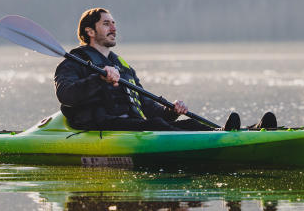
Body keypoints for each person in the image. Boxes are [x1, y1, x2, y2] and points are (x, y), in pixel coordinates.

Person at [54, 7, 276, 132]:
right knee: (157, 125)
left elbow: (144, 105)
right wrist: (98, 79)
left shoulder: (122, 66)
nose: (114, 27)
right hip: (101, 127)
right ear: (89, 32)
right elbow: (66, 95)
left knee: (190, 123)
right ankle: (224, 139)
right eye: (106, 24)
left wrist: (170, 111)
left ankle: (247, 132)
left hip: (134, 124)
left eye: (114, 23)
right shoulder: (74, 62)